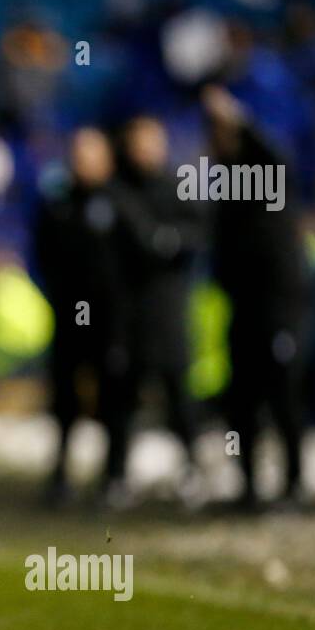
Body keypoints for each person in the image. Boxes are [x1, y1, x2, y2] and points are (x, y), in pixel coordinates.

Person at [204, 86, 312, 508]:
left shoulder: (271, 179)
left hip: (281, 307)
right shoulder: (225, 189)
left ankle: (294, 485)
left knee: (284, 395)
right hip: (243, 307)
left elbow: (273, 156)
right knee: (243, 400)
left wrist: (239, 118)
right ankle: (248, 485)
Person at [33, 127, 134, 507]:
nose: (83, 160)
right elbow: (42, 253)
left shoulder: (120, 202)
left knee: (113, 397)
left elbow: (134, 260)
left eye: (91, 153)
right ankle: (60, 474)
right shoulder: (57, 202)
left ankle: (115, 475)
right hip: (69, 316)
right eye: (77, 152)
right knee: (65, 397)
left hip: (111, 320)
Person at [114, 116, 206, 504]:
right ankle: (115, 474)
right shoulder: (118, 190)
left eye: (152, 142)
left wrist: (166, 240)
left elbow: (196, 235)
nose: (145, 151)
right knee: (123, 396)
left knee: (177, 391)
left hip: (168, 308)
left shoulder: (176, 188)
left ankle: (193, 469)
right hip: (129, 311)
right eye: (139, 142)